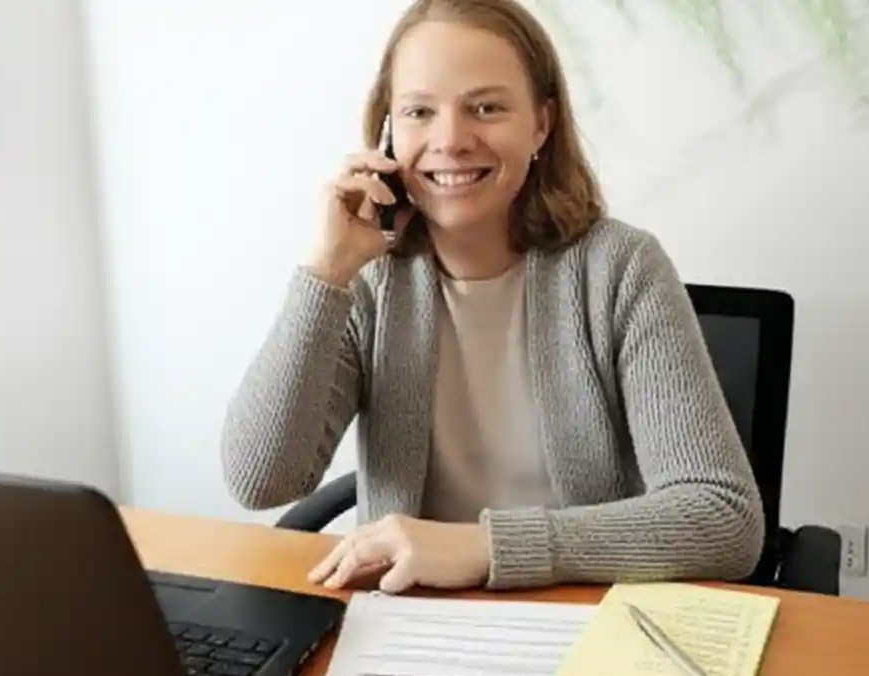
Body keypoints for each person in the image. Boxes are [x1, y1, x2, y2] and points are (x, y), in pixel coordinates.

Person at [220, 0, 763, 595]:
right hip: (408, 619)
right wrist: (327, 272)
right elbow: (260, 480)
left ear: (540, 124)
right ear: (388, 134)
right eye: (419, 112)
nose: (450, 140)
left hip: (581, 615)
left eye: (486, 107)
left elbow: (724, 519)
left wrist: (485, 547)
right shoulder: (369, 281)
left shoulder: (621, 267)